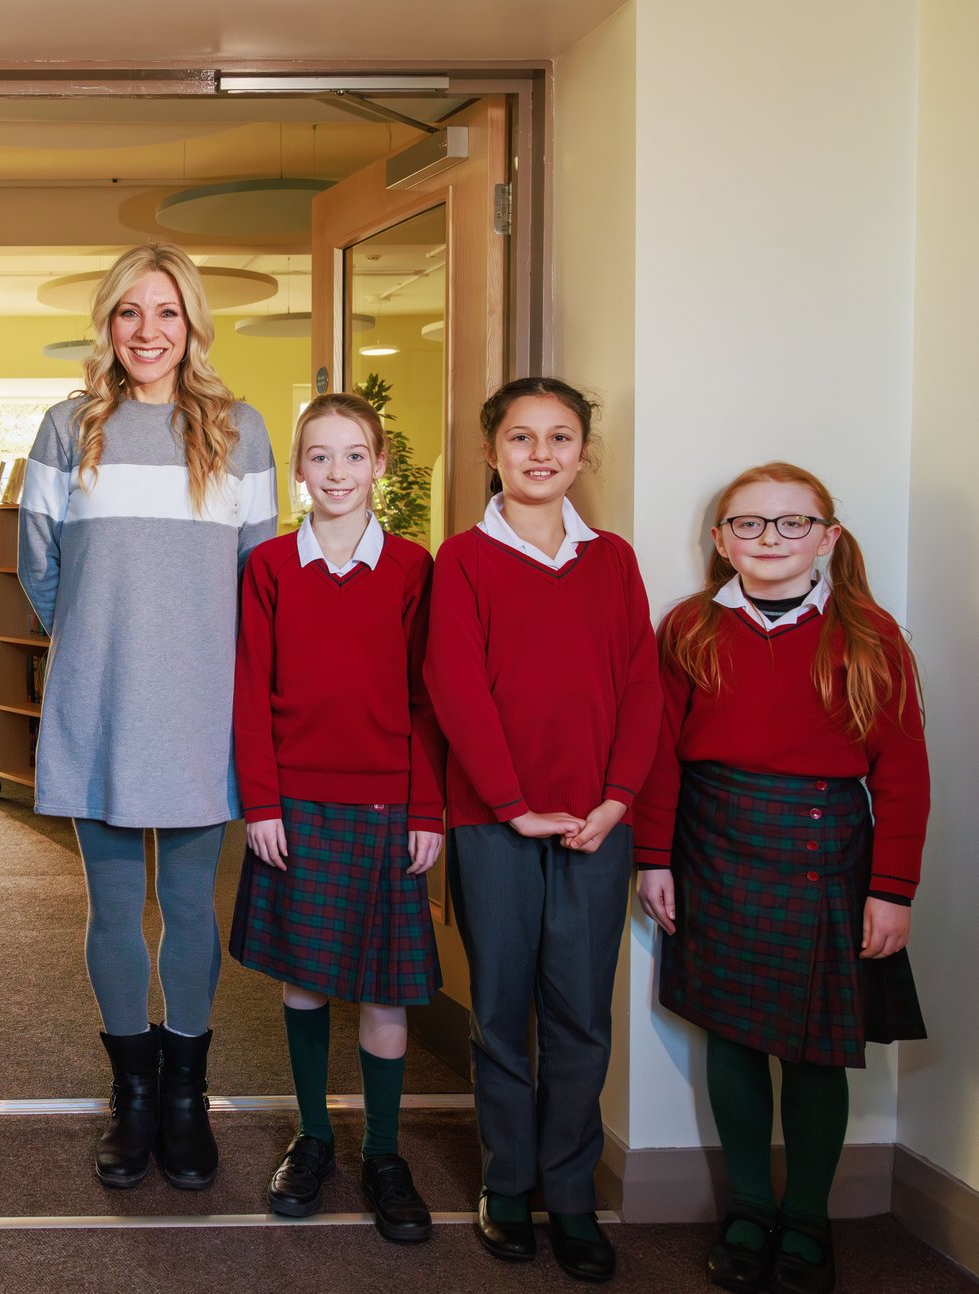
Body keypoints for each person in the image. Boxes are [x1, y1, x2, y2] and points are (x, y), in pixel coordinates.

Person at [18, 242, 278, 1191]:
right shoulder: (64, 427)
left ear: (192, 325)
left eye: (166, 313)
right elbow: (39, 568)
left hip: (205, 705)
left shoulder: (242, 432)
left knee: (192, 908)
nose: (148, 332)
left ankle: (184, 1099)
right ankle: (132, 1096)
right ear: (108, 324)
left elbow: (261, 584)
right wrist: (96, 645)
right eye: (130, 313)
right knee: (117, 907)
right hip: (102, 697)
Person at [635, 463, 928, 1294]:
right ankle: (749, 1208)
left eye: (792, 524)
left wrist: (892, 888)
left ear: (828, 538)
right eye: (750, 524)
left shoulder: (870, 633)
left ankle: (807, 1216)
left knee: (812, 1052)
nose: (771, 540)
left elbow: (904, 769)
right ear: (722, 541)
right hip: (713, 844)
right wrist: (655, 857)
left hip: (826, 852)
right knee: (730, 1035)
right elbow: (660, 758)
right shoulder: (689, 628)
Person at [423, 377, 659, 1282]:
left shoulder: (615, 562)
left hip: (599, 826)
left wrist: (617, 799)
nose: (541, 454)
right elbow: (457, 690)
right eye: (521, 438)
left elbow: (641, 685)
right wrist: (514, 803)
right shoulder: (465, 562)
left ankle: (570, 1192)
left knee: (579, 1018)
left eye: (561, 438)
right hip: (497, 824)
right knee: (499, 1014)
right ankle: (507, 1182)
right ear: (492, 453)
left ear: (583, 453)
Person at [229, 393, 445, 1242]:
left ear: (381, 465)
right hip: (298, 804)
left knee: (387, 991)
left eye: (354, 456)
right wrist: (261, 800)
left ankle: (384, 1152)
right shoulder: (272, 567)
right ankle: (314, 1135)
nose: (337, 473)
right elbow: (250, 691)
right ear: (298, 470)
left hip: (391, 804)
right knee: (308, 975)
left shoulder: (414, 570)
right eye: (319, 457)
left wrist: (426, 805)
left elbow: (430, 701)